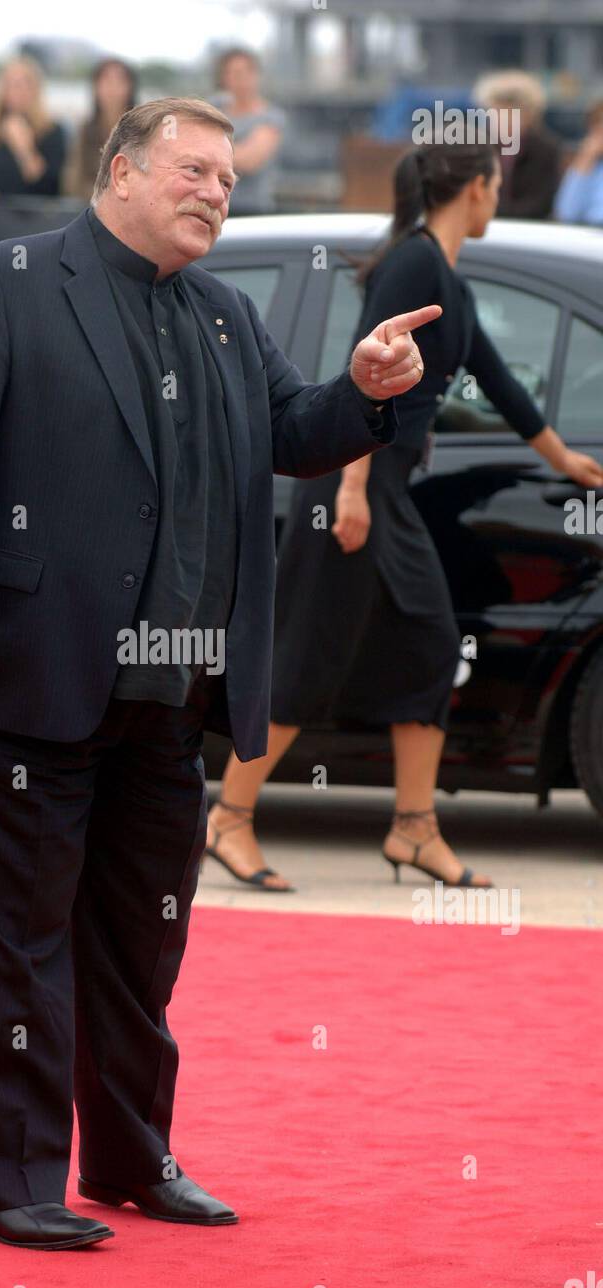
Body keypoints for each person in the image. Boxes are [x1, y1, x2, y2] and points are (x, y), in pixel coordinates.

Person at [0, 96, 438, 1250]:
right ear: (123, 172)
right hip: (25, 679)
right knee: (13, 946)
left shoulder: (226, 317)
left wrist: (370, 395)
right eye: (193, 171)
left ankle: (133, 1161)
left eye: (228, 181)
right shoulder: (8, 282)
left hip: (173, 692)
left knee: (142, 944)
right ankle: (7, 1184)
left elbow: (298, 430)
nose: (214, 194)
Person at [205, 141, 603, 894]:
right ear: (476, 188)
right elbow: (372, 371)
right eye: (496, 184)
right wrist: (350, 489)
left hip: (385, 486)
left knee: (427, 644)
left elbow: (495, 380)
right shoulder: (412, 264)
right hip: (354, 483)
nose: (499, 196)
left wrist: (567, 462)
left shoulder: (444, 276)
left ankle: (414, 828)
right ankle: (228, 815)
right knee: (310, 650)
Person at [0, 56, 66, 205]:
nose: (17, 91)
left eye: (23, 84)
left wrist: (24, 149)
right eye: (10, 85)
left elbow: (50, 187)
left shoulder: (52, 131)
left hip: (38, 221)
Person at [472, 71, 562, 221]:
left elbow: (541, 202)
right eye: (495, 112)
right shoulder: (479, 146)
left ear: (528, 115)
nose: (500, 119)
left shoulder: (546, 150)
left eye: (508, 113)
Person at [210, 47, 285, 215]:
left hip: (250, 208)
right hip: (213, 205)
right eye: (234, 73)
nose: (241, 80)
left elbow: (251, 161)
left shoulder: (271, 117)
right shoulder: (214, 106)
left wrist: (206, 150)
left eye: (246, 72)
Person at [64, 56, 138, 203]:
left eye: (119, 81)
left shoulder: (141, 130)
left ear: (130, 87)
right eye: (106, 81)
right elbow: (72, 181)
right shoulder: (85, 130)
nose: (112, 88)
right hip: (91, 208)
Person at [555, 92, 603, 227]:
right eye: (597, 127)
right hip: (588, 236)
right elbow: (567, 213)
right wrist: (585, 160)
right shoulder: (589, 164)